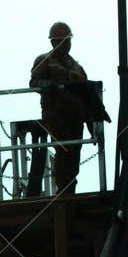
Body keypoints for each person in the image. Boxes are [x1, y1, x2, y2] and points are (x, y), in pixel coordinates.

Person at [26, 21, 91, 196]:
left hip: (76, 117)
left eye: (68, 41)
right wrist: (48, 85)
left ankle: (70, 189)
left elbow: (87, 92)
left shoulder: (77, 66)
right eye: (63, 41)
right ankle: (64, 193)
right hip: (55, 115)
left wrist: (92, 119)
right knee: (63, 151)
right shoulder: (44, 61)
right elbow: (34, 83)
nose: (66, 44)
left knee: (74, 153)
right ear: (53, 43)